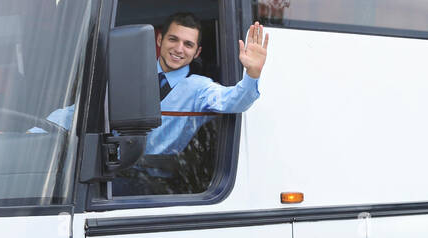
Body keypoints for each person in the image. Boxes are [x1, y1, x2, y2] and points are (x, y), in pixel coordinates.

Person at [45, 12, 269, 156]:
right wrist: (35, 131)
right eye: (173, 39)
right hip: (113, 174)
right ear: (160, 39)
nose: (179, 49)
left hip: (163, 183)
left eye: (188, 44)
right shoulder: (127, 76)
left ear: (197, 52)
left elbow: (234, 101)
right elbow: (81, 112)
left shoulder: (199, 88)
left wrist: (252, 74)